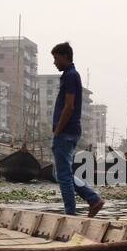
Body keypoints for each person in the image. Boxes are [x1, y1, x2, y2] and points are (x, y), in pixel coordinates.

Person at [51, 42, 105, 218]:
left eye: (56, 58)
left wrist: (58, 130)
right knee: (61, 173)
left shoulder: (71, 76)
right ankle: (92, 198)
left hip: (65, 133)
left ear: (65, 57)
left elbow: (69, 106)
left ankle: (72, 213)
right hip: (69, 132)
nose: (54, 62)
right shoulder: (69, 75)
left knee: (64, 176)